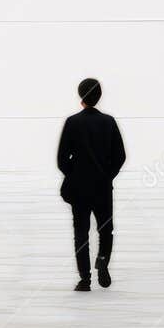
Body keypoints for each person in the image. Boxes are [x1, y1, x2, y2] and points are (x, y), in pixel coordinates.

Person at [57, 78, 126, 291]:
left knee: (81, 233)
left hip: (79, 189)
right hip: (102, 187)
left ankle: (85, 279)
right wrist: (108, 175)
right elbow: (120, 156)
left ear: (81, 97)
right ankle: (103, 260)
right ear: (99, 96)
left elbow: (62, 159)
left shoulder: (72, 122)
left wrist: (74, 174)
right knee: (106, 229)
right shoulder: (109, 122)